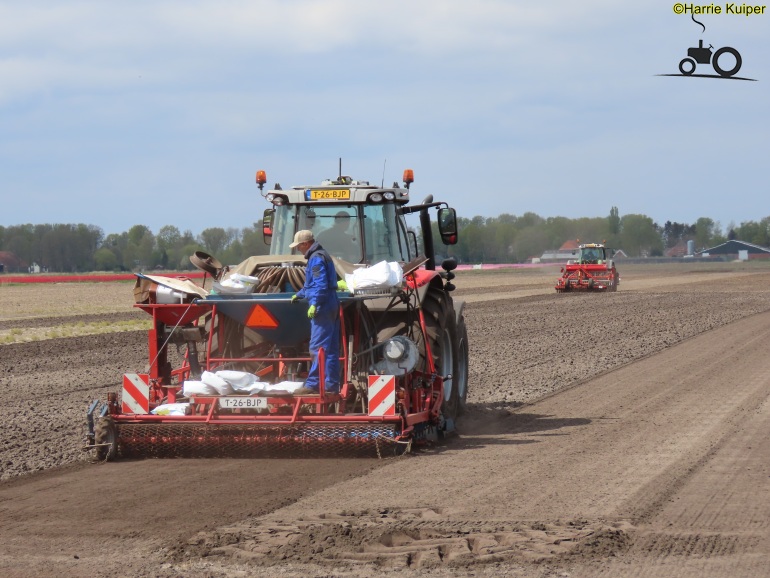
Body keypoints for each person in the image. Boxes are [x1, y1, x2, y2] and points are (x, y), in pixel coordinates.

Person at [289, 229, 341, 394]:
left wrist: (315, 304)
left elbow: (320, 285)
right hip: (331, 303)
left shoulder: (316, 258)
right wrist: (300, 294)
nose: (298, 249)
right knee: (331, 348)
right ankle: (331, 385)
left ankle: (313, 384)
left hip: (323, 305)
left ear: (306, 244)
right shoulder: (322, 255)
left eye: (299, 246)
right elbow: (311, 284)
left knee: (317, 347)